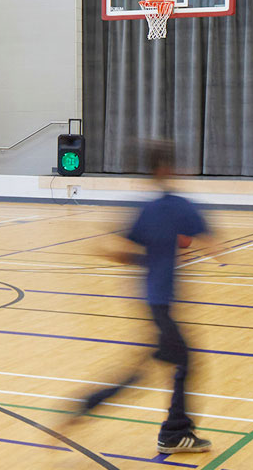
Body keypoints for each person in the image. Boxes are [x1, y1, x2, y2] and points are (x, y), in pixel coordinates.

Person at [66, 140, 215, 456]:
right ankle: (174, 433)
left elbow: (125, 252)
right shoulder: (180, 206)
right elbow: (216, 246)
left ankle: (86, 405)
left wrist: (139, 255)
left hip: (150, 301)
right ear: (168, 168)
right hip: (161, 303)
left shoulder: (147, 209)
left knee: (144, 371)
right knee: (181, 363)